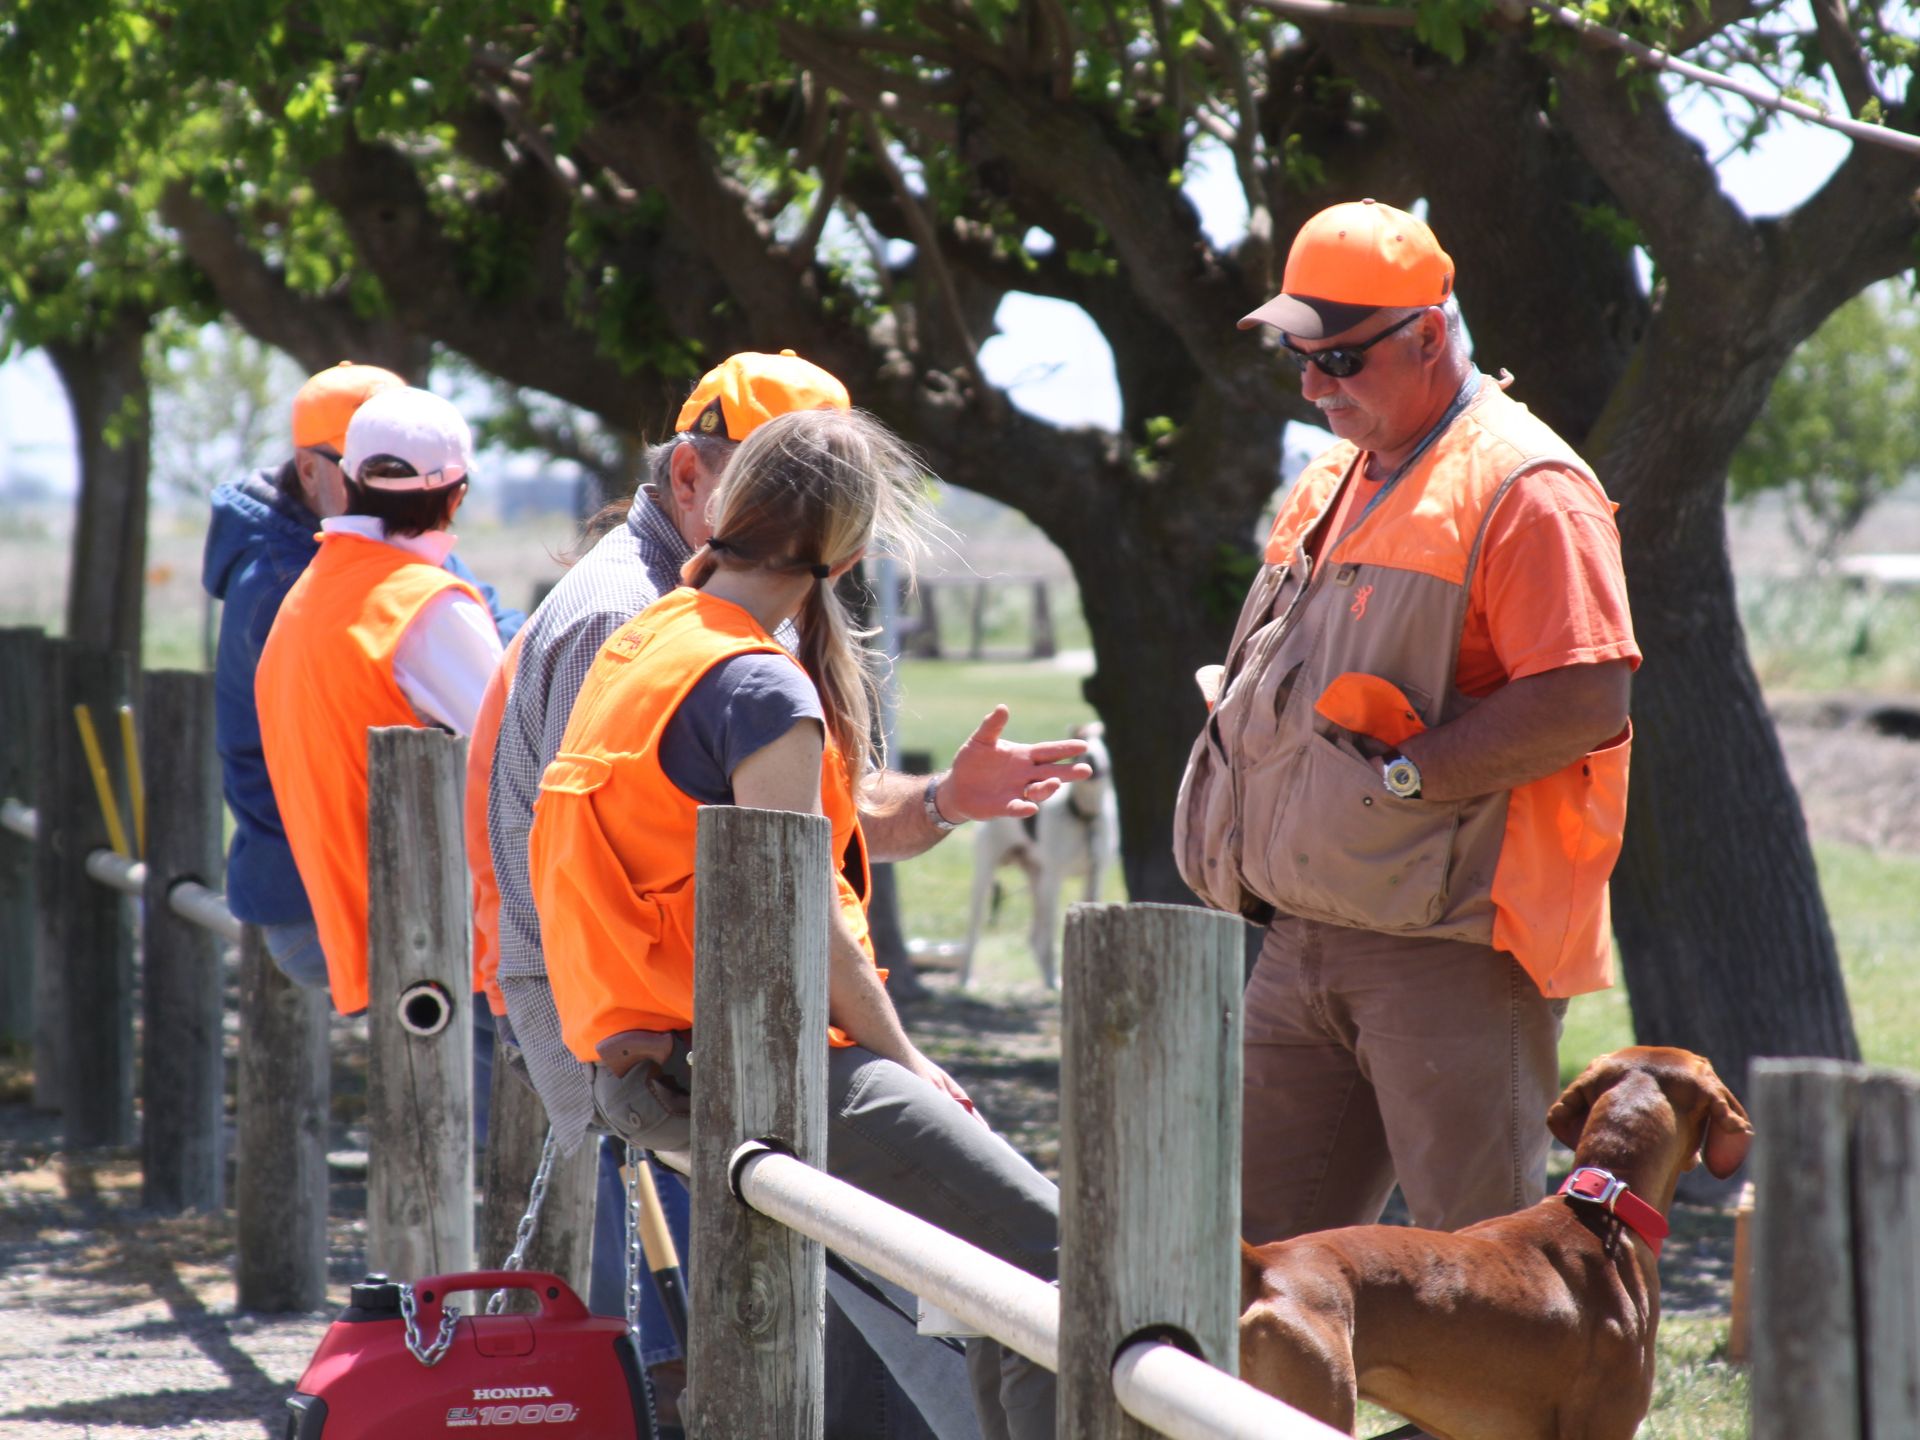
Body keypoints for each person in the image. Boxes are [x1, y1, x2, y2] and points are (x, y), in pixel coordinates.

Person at [485, 349, 1086, 1425]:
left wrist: (943, 798)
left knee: (889, 1338)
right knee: (1066, 1268)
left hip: (663, 1048)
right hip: (754, 1057)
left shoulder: (662, 632)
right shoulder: (751, 678)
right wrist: (913, 1061)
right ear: (846, 542)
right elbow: (804, 918)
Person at [1175, 199, 1640, 1247]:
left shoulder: (1530, 486)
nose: (1311, 385)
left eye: (1338, 357)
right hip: (1303, 939)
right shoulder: (1334, 471)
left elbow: (1584, 698)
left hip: (1454, 948)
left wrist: (1407, 780)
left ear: (1429, 335)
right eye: (1298, 354)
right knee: (1243, 1273)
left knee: (1484, 1281)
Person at [204, 360, 523, 991]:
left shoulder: (350, 555)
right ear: (314, 469)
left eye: (402, 458)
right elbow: (506, 729)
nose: (390, 472)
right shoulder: (285, 580)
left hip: (347, 883)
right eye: (377, 458)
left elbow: (485, 612)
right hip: (328, 893)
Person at [254, 385, 508, 1137]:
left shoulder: (308, 594)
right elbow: (524, 756)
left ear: (351, 479)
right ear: (456, 496)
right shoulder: (428, 608)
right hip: (452, 948)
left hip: (367, 931)